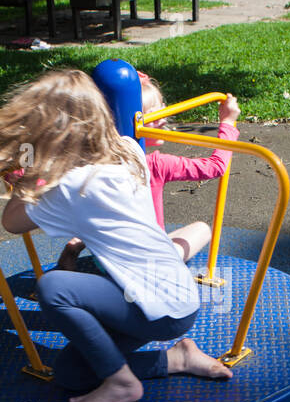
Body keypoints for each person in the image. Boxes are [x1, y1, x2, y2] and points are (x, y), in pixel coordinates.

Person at [0, 69, 232, 402]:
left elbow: (12, 222)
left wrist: (30, 174)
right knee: (70, 373)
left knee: (54, 287)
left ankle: (122, 384)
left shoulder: (71, 186)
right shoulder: (129, 151)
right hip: (174, 300)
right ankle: (176, 358)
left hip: (155, 309)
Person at [56, 71, 240, 271]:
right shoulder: (156, 165)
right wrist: (228, 123)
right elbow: (216, 166)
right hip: (147, 264)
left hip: (105, 259)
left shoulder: (93, 161)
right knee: (202, 230)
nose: (163, 116)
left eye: (161, 106)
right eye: (153, 112)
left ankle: (76, 245)